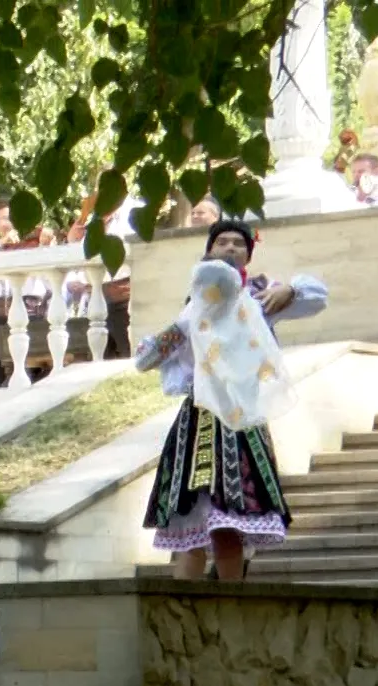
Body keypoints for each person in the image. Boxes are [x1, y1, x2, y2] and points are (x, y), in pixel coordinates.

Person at [134, 220, 327, 580]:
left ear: (247, 254)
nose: (230, 247)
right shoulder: (192, 310)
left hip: (241, 420)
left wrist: (290, 290)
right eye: (221, 241)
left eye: (238, 243)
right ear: (209, 252)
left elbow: (317, 297)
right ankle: (184, 615)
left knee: (227, 528)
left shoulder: (258, 299)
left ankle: (230, 605)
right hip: (198, 420)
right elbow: (145, 360)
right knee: (192, 527)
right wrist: (173, 333)